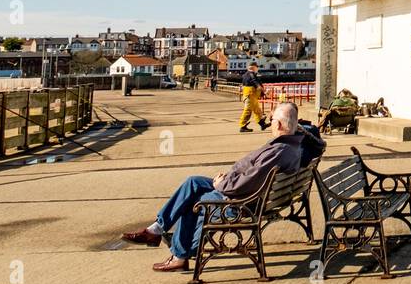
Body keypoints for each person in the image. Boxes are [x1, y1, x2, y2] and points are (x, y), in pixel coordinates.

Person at [120, 102, 317, 272]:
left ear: (280, 124)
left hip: (241, 201)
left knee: (193, 203)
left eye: (272, 119)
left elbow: (247, 182)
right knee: (193, 182)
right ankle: (157, 228)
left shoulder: (279, 151)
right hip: (253, 193)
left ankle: (179, 256)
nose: (270, 122)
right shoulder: (292, 144)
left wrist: (220, 184)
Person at [237, 63, 266, 132]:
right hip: (250, 95)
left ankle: (262, 124)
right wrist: (260, 88)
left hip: (251, 95)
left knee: (257, 110)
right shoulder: (251, 74)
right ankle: (242, 126)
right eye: (257, 67)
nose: (257, 69)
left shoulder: (245, 75)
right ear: (253, 67)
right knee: (248, 110)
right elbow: (254, 81)